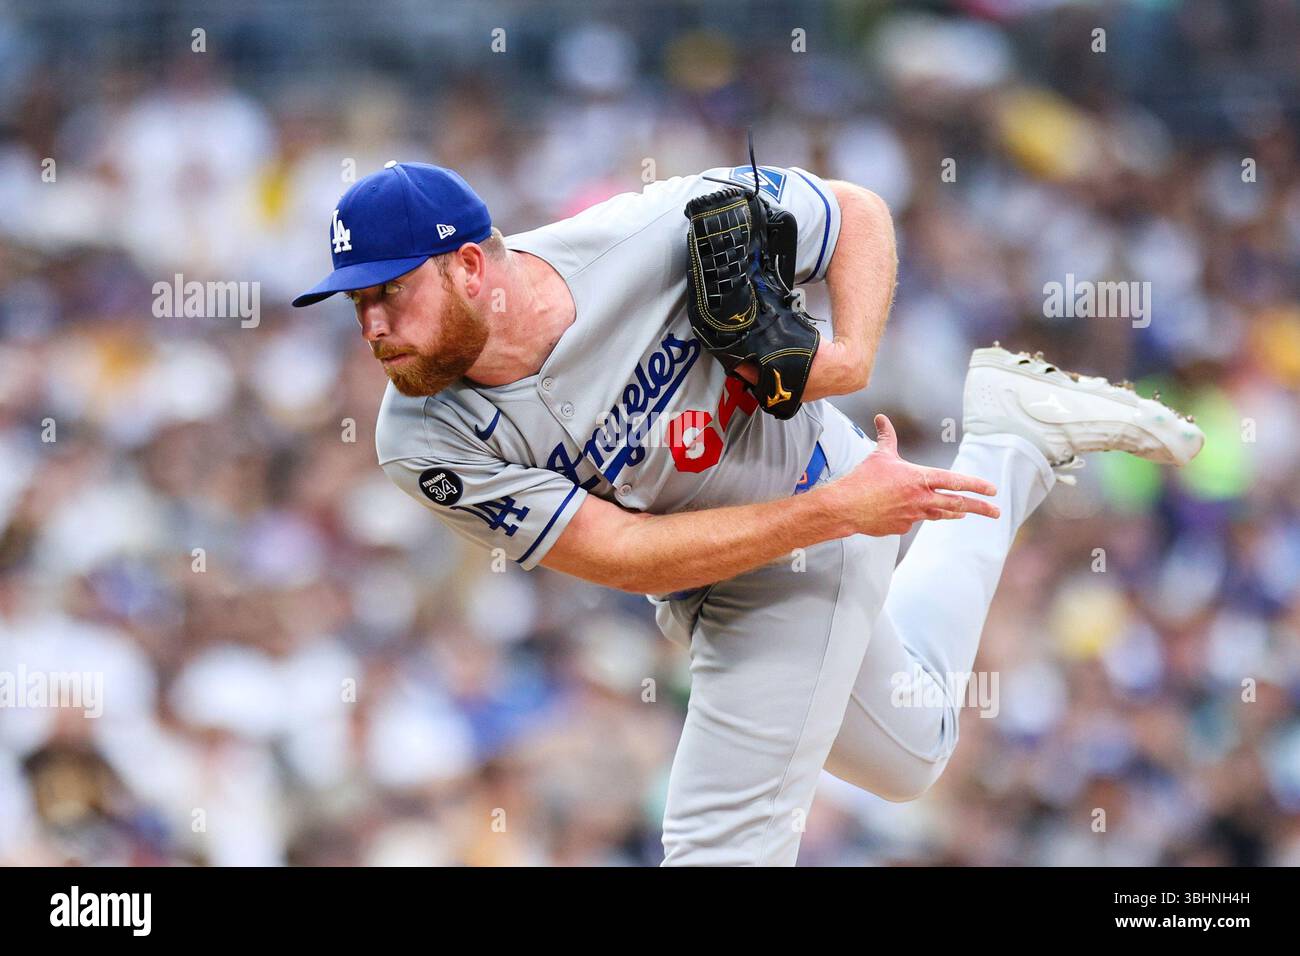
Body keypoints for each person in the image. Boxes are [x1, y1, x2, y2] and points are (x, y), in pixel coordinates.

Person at [293, 160, 1204, 866]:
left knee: (716, 848)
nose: (371, 325)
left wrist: (842, 364)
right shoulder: (420, 436)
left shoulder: (642, 235)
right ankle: (1011, 439)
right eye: (355, 301)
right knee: (911, 752)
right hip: (752, 551)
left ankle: (1001, 444)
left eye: (388, 291)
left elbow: (856, 214)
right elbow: (626, 556)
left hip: (804, 519)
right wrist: (843, 512)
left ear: (466, 267)